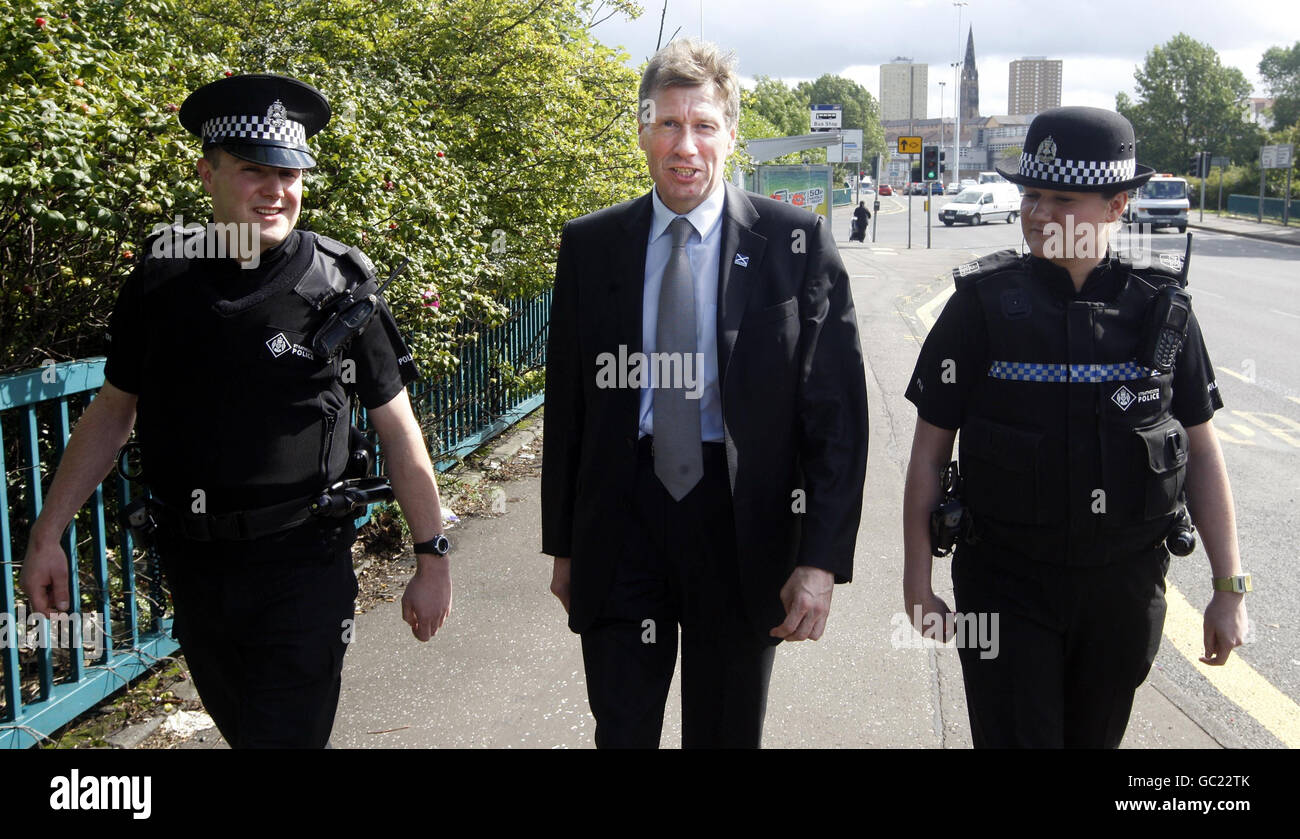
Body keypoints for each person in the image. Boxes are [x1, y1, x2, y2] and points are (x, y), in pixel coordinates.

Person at [20, 73, 453, 748]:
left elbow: (398, 427)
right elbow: (113, 410)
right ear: (208, 174)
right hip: (195, 570)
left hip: (304, 566)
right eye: (256, 171)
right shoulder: (162, 280)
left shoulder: (338, 281)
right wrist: (50, 531)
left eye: (291, 172)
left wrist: (432, 555)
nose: (277, 190)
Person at [541, 39, 869, 748]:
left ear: (730, 134)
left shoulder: (796, 243)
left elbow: (835, 416)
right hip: (624, 521)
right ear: (642, 133)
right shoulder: (591, 246)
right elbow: (569, 408)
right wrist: (564, 546)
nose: (684, 145)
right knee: (622, 731)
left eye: (703, 125)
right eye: (666, 124)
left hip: (741, 527)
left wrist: (819, 560)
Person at [901, 106, 1250, 748]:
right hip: (1004, 584)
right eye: (1031, 195)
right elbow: (929, 454)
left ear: (1117, 205)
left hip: (1123, 588)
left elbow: (1201, 449)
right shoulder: (979, 307)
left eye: (1063, 198)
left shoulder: (1161, 310)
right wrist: (916, 579)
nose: (1038, 213)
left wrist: (1229, 588)